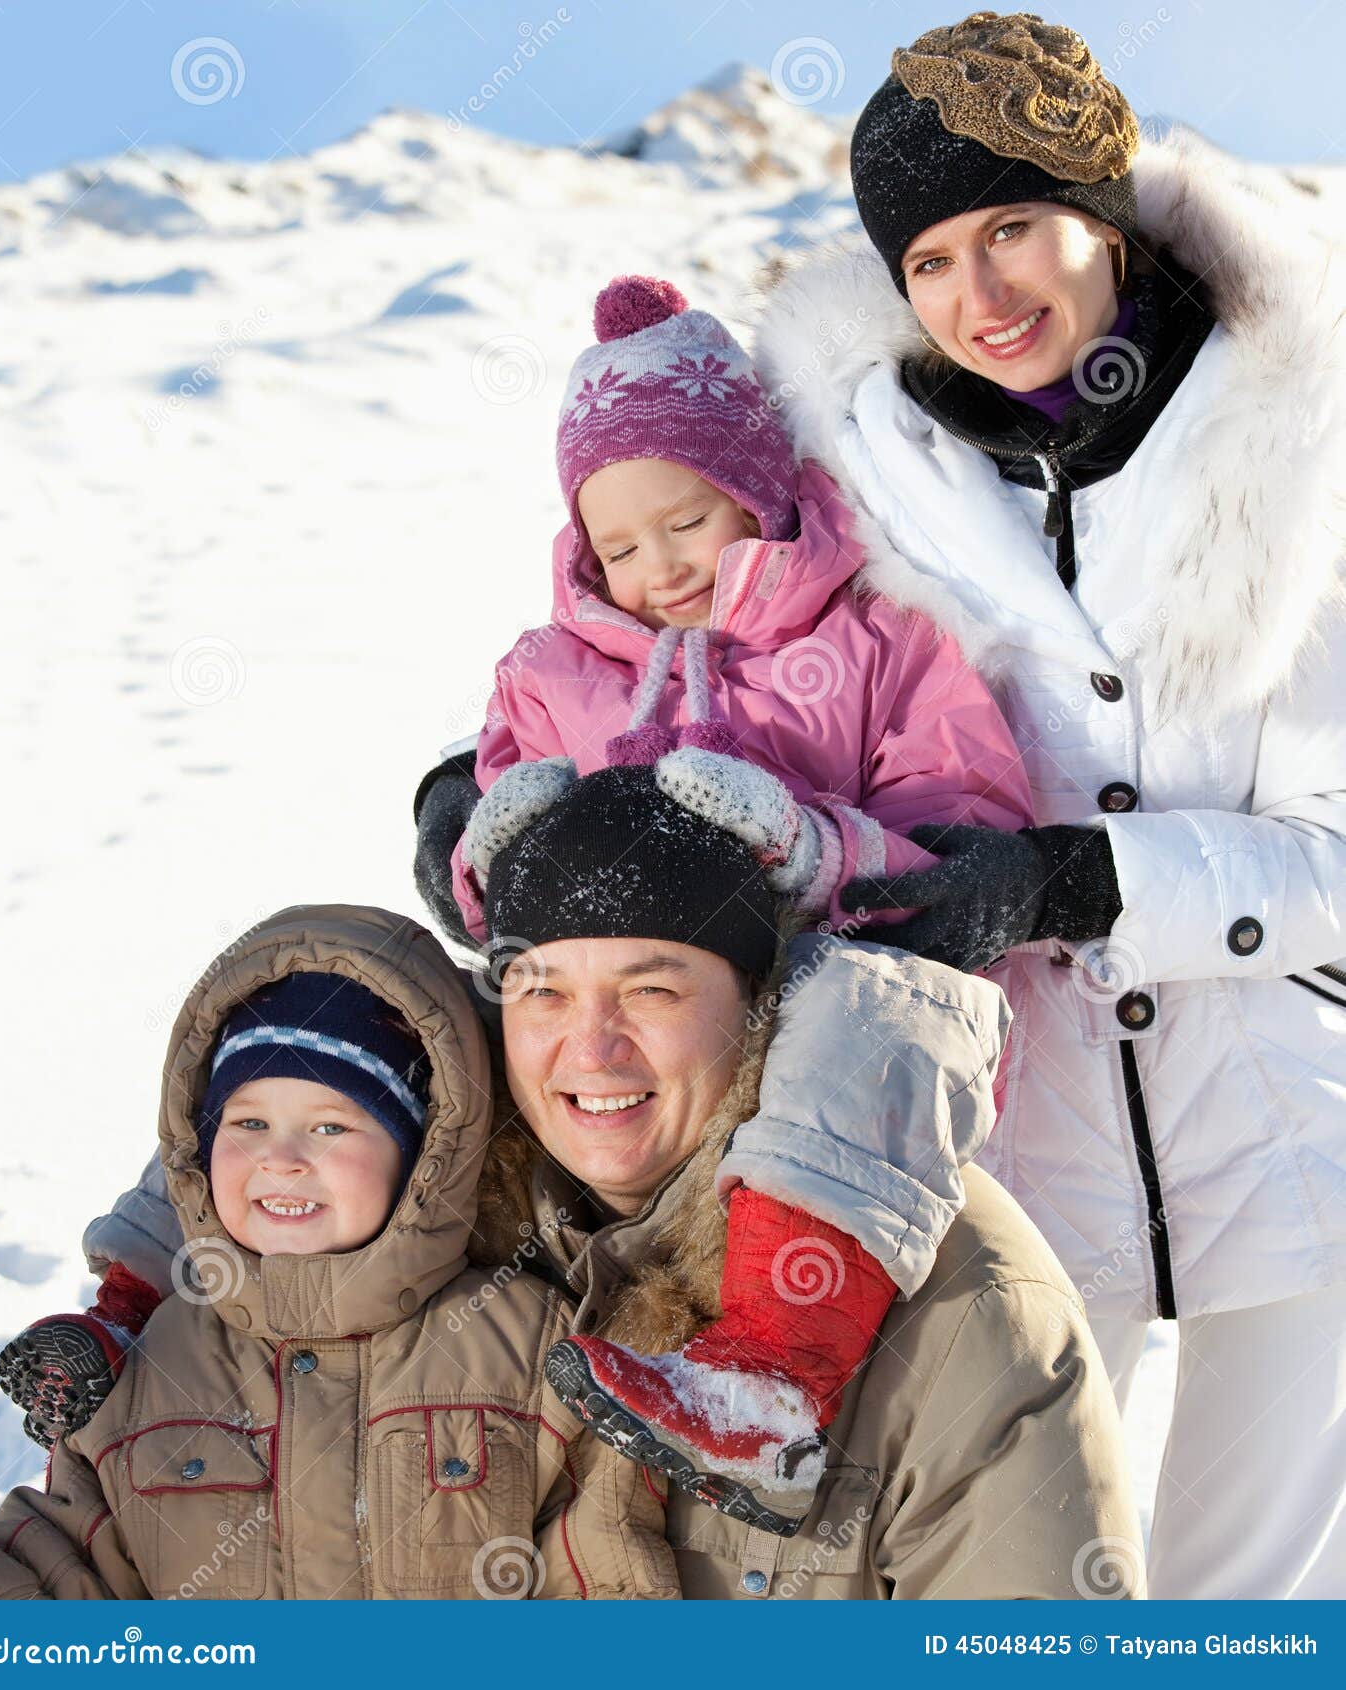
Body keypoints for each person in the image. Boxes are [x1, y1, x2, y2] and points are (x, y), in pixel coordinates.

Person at [753, 9, 1346, 1596]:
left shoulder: (1312, 445)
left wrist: (1069, 882)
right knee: (1031, 1595)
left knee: (1255, 1605)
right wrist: (500, 782)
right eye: (930, 259)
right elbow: (726, 665)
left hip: (1305, 1148)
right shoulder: (868, 471)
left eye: (1012, 226)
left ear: (1100, 209)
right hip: (1028, 1153)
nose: (979, 296)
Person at [415, 271, 1037, 1531]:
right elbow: (494, 861)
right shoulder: (552, 671)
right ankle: (160, 1300)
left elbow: (968, 837)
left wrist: (816, 848)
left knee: (870, 1010)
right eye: (618, 546)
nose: (655, 569)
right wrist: (498, 846)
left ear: (756, 488)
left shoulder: (876, 641)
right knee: (351, 999)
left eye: (687, 521)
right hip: (634, 1044)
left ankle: (769, 1379)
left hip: (820, 1035)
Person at [468, 759, 1145, 1597]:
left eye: (650, 990)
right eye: (543, 993)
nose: (593, 1048)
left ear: (763, 1000)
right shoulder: (437, 1257)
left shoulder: (967, 1306)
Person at [0, 906, 674, 1600]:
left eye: (331, 1126)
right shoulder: (157, 1362)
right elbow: (63, 1567)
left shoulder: (529, 1344)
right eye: (248, 1122)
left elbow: (603, 1577)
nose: (281, 1159)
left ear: (422, 1158)